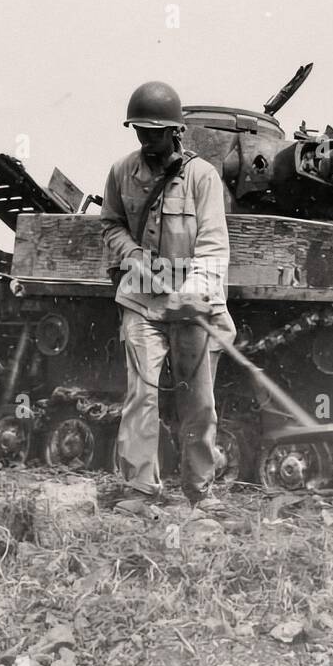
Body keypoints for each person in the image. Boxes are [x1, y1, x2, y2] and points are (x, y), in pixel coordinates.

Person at [100, 81, 235, 506]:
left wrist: (191, 294)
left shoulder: (202, 177)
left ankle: (200, 491)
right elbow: (110, 225)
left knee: (198, 401)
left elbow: (214, 245)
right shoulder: (122, 171)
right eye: (140, 131)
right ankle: (140, 488)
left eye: (155, 132)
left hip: (192, 305)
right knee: (141, 396)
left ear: (176, 131)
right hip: (140, 300)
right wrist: (132, 253)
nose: (147, 140)